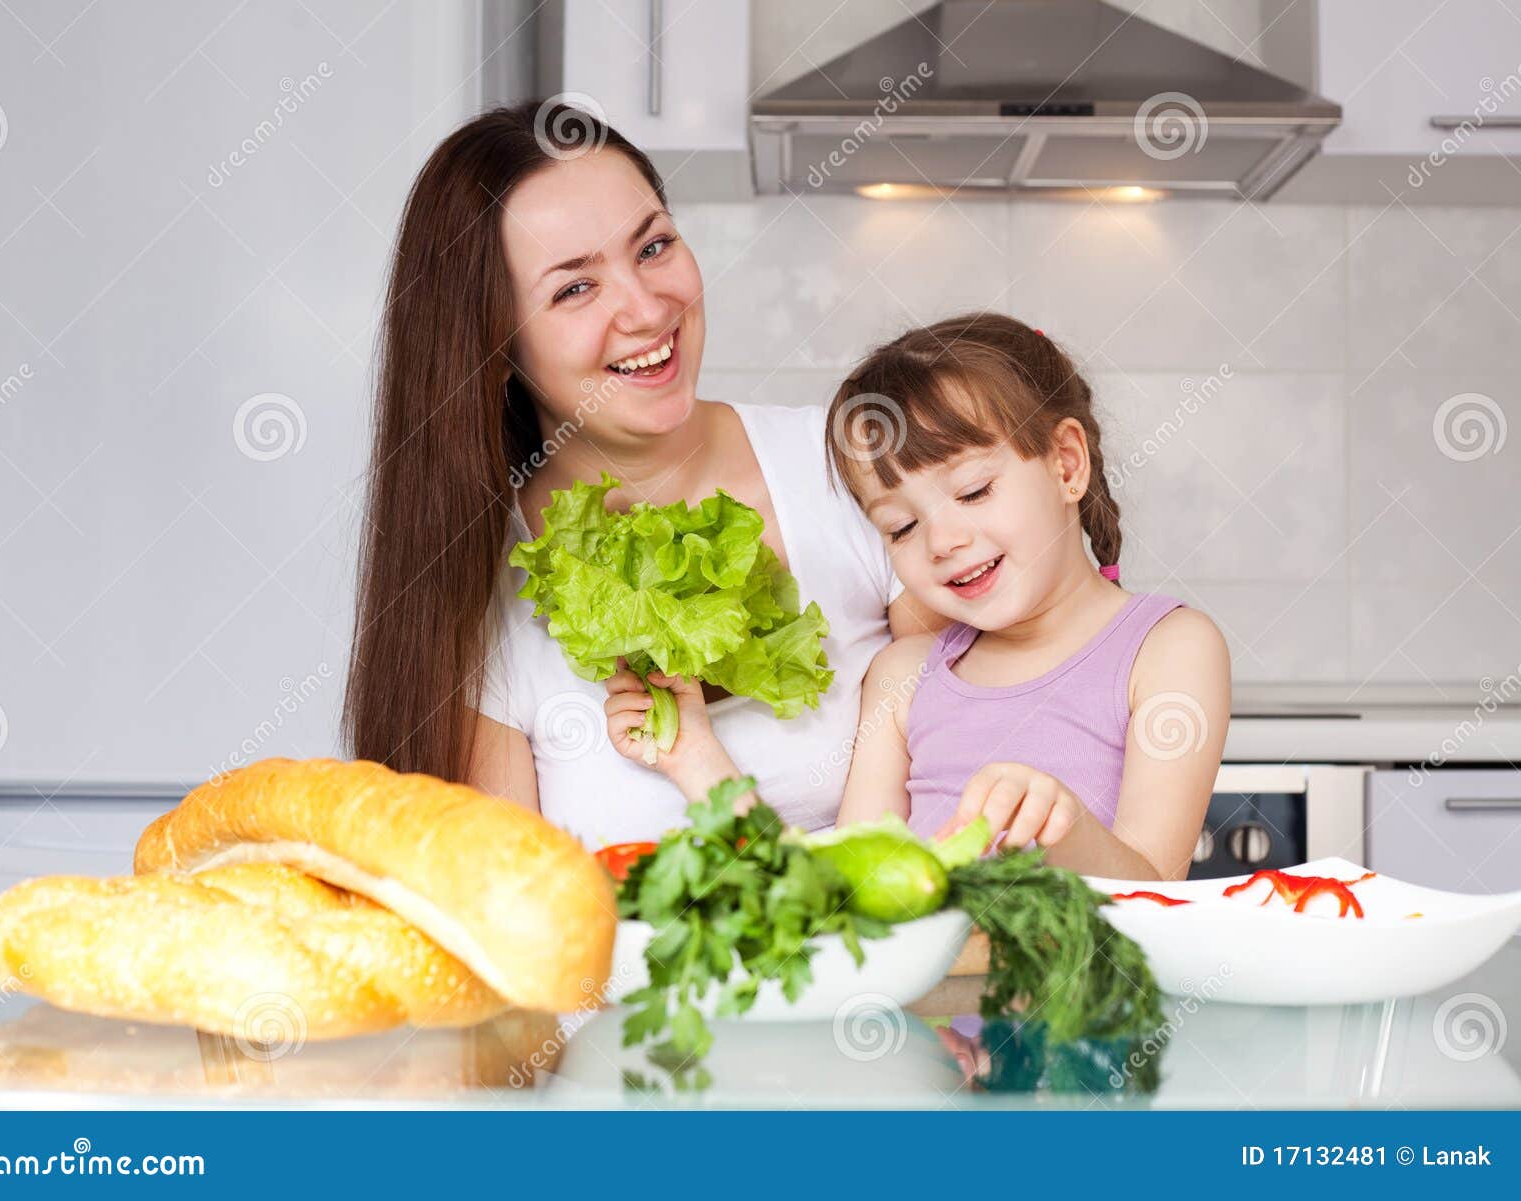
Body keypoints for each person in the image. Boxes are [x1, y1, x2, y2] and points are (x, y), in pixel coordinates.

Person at [343, 101, 938, 849]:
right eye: (574, 288)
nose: (646, 307)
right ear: (494, 344)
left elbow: (972, 773)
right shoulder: (477, 587)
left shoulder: (851, 469)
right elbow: (519, 922)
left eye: (653, 246)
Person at [613, 312, 1230, 880]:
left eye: (973, 491)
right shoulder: (904, 678)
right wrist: (694, 756)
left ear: (1067, 465)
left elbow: (1158, 896)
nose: (942, 540)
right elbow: (834, 899)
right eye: (901, 527)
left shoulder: (1169, 649)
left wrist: (1061, 829)